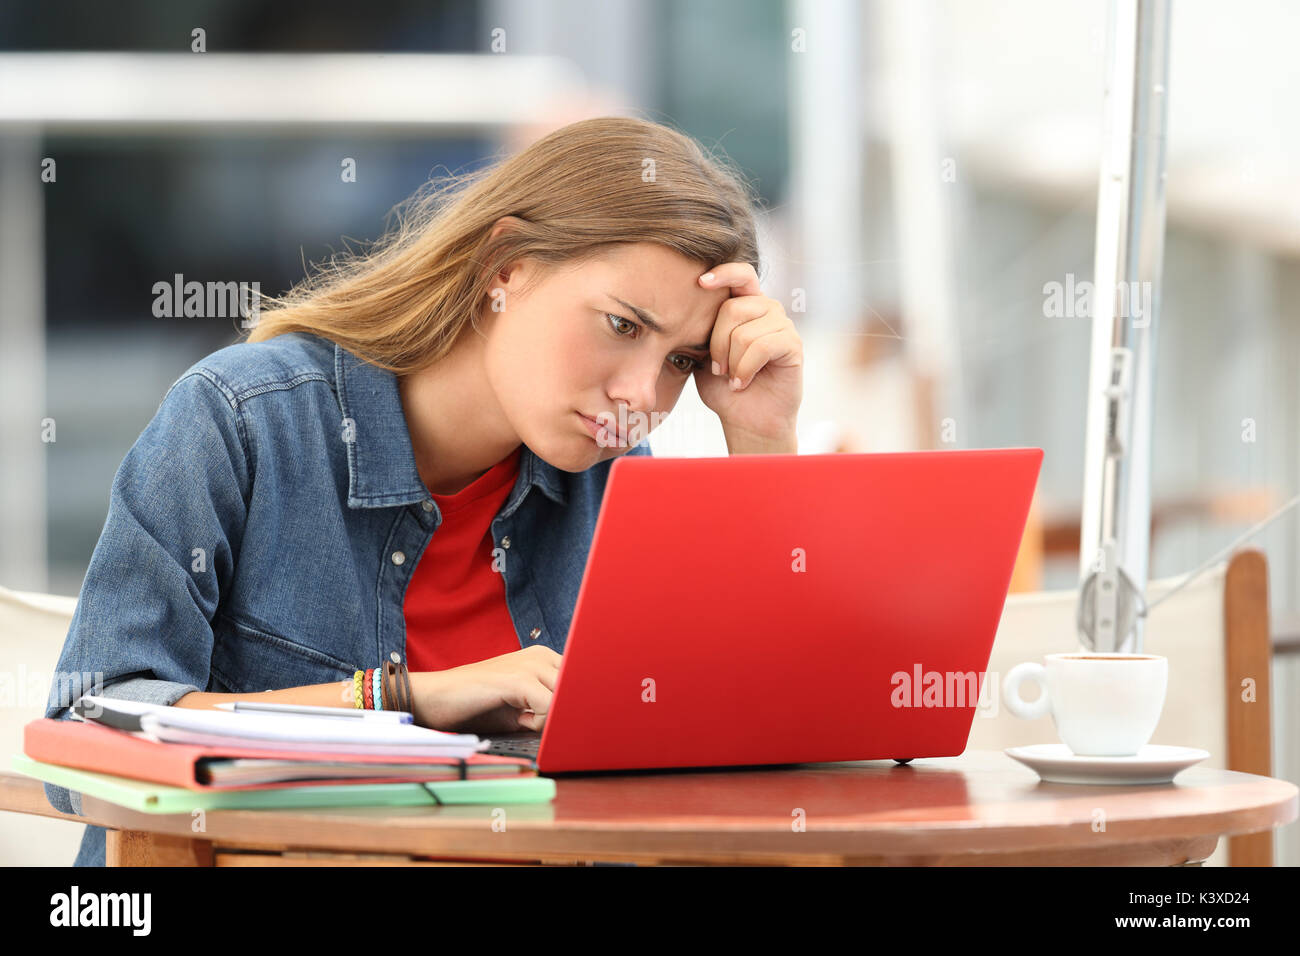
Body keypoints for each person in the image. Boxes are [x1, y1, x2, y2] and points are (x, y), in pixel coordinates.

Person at [42, 115, 804, 865]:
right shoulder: (243, 422)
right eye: (622, 325)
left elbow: (760, 739)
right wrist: (399, 699)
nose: (640, 393)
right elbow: (88, 733)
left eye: (681, 362)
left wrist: (763, 437)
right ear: (506, 268)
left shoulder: (615, 480)